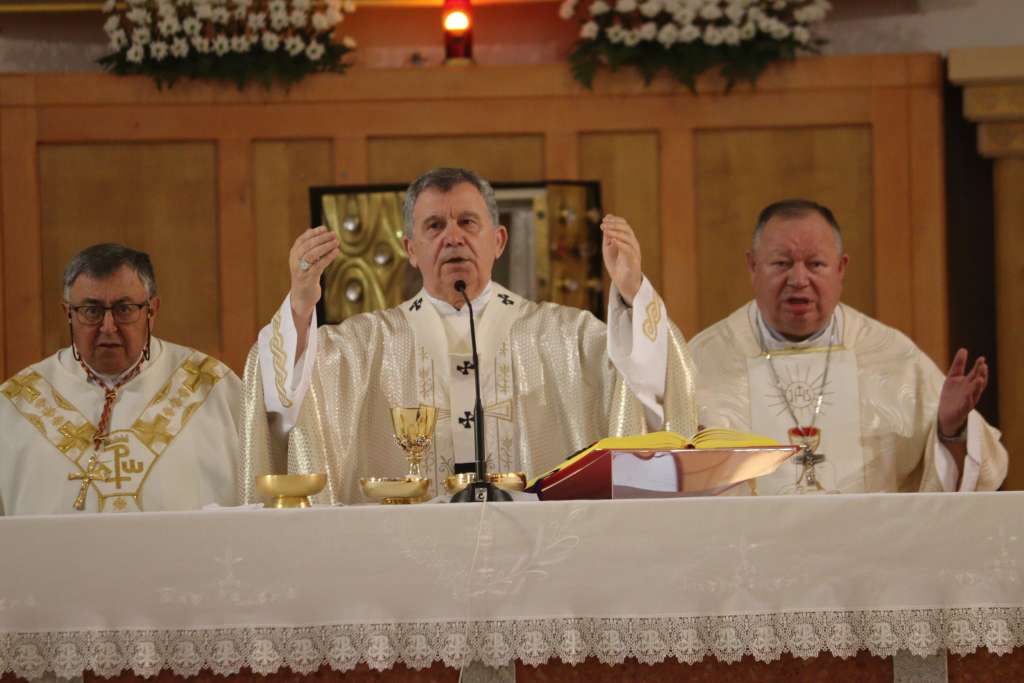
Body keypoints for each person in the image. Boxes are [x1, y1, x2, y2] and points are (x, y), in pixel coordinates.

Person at [239, 167, 698, 504]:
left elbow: (649, 383)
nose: (453, 238)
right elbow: (282, 391)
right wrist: (301, 306)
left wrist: (633, 292)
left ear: (497, 241)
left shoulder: (565, 337)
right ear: (410, 249)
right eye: (435, 226)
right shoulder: (366, 347)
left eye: (467, 223)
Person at [690, 199, 1007, 494]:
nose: (798, 279)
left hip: (869, 547)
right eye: (782, 263)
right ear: (753, 266)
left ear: (841, 268)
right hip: (751, 549)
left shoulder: (891, 356)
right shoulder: (700, 362)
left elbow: (975, 479)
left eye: (815, 264)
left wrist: (950, 429)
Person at [0, 244, 241, 514]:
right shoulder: (15, 404)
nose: (108, 327)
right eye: (91, 311)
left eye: (124, 309)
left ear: (152, 311)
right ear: (68, 313)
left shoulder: (212, 388)